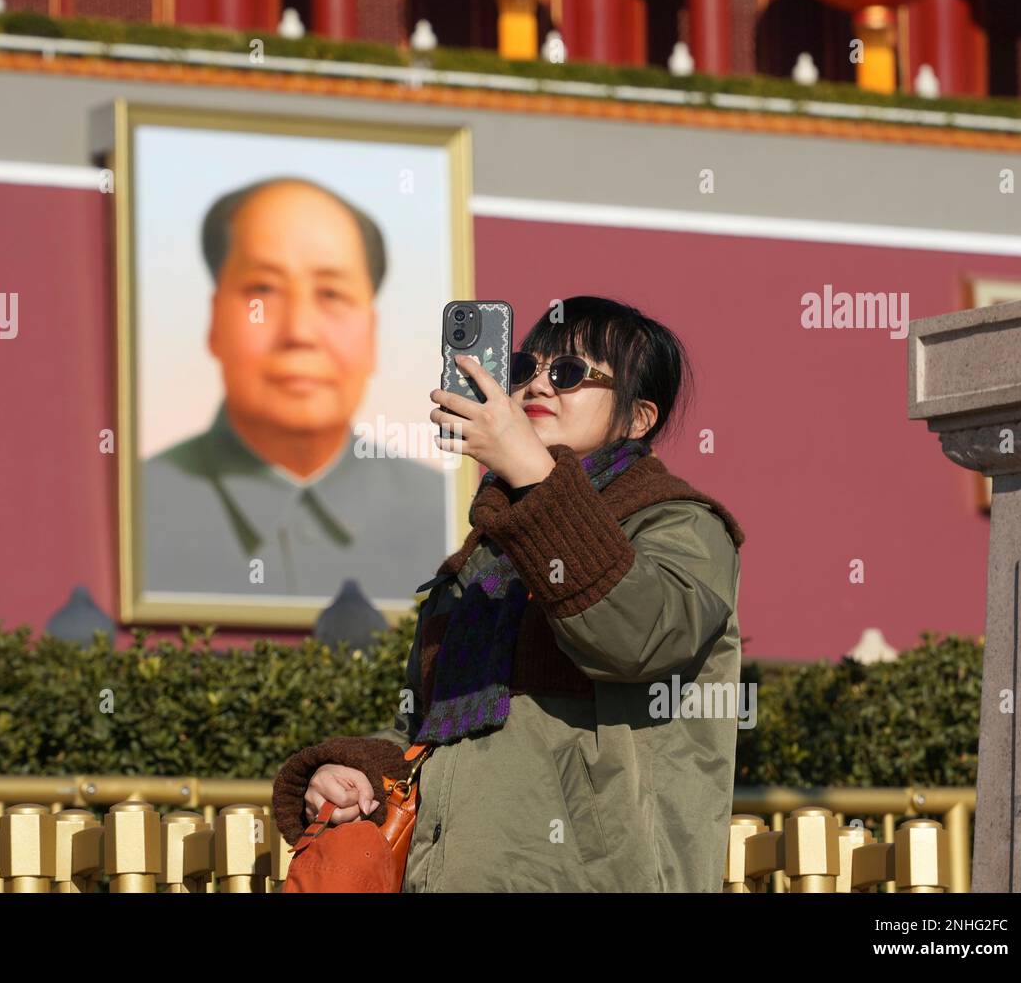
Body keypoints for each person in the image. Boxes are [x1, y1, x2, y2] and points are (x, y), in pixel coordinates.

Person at [271, 296, 747, 891]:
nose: (536, 386)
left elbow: (637, 638)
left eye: (569, 372)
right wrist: (355, 773)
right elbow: (426, 729)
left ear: (638, 418)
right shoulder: (491, 551)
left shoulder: (679, 525)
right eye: (524, 369)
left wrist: (534, 476)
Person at [142, 176, 445, 600]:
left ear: (373, 333)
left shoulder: (447, 516)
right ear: (214, 321)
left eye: (332, 294)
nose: (299, 332)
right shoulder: (138, 509)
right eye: (263, 291)